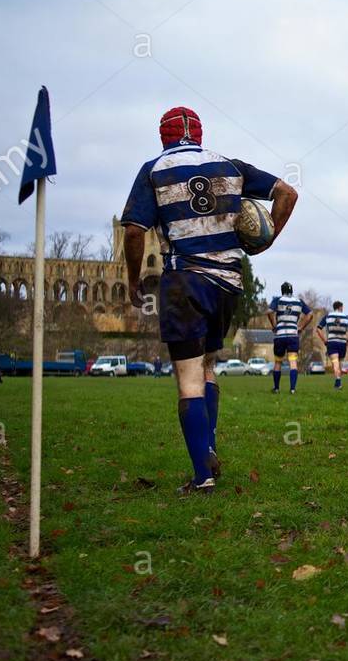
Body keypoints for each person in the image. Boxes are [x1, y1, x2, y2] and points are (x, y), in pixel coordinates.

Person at [122, 106, 298, 495]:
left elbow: (134, 231)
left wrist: (133, 280)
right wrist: (267, 240)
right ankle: (209, 446)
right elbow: (287, 192)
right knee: (208, 366)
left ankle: (203, 475)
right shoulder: (229, 166)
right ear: (199, 135)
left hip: (185, 280)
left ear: (163, 137)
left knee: (188, 379)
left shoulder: (154, 170)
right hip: (229, 283)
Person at [268, 282, 311, 394]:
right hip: (293, 335)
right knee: (293, 362)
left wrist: (273, 325)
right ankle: (292, 389)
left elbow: (269, 312)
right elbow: (310, 314)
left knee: (278, 362)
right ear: (292, 291)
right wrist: (301, 327)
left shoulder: (277, 299)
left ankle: (276, 388)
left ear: (282, 290)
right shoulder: (299, 301)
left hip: (280, 335)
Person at [317, 301, 348, 390]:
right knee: (340, 362)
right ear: (340, 307)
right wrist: (347, 340)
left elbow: (318, 329)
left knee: (335, 362)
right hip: (342, 343)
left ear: (334, 307)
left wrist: (324, 341)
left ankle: (338, 380)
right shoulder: (347, 317)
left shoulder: (328, 317)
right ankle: (339, 381)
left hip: (332, 342)